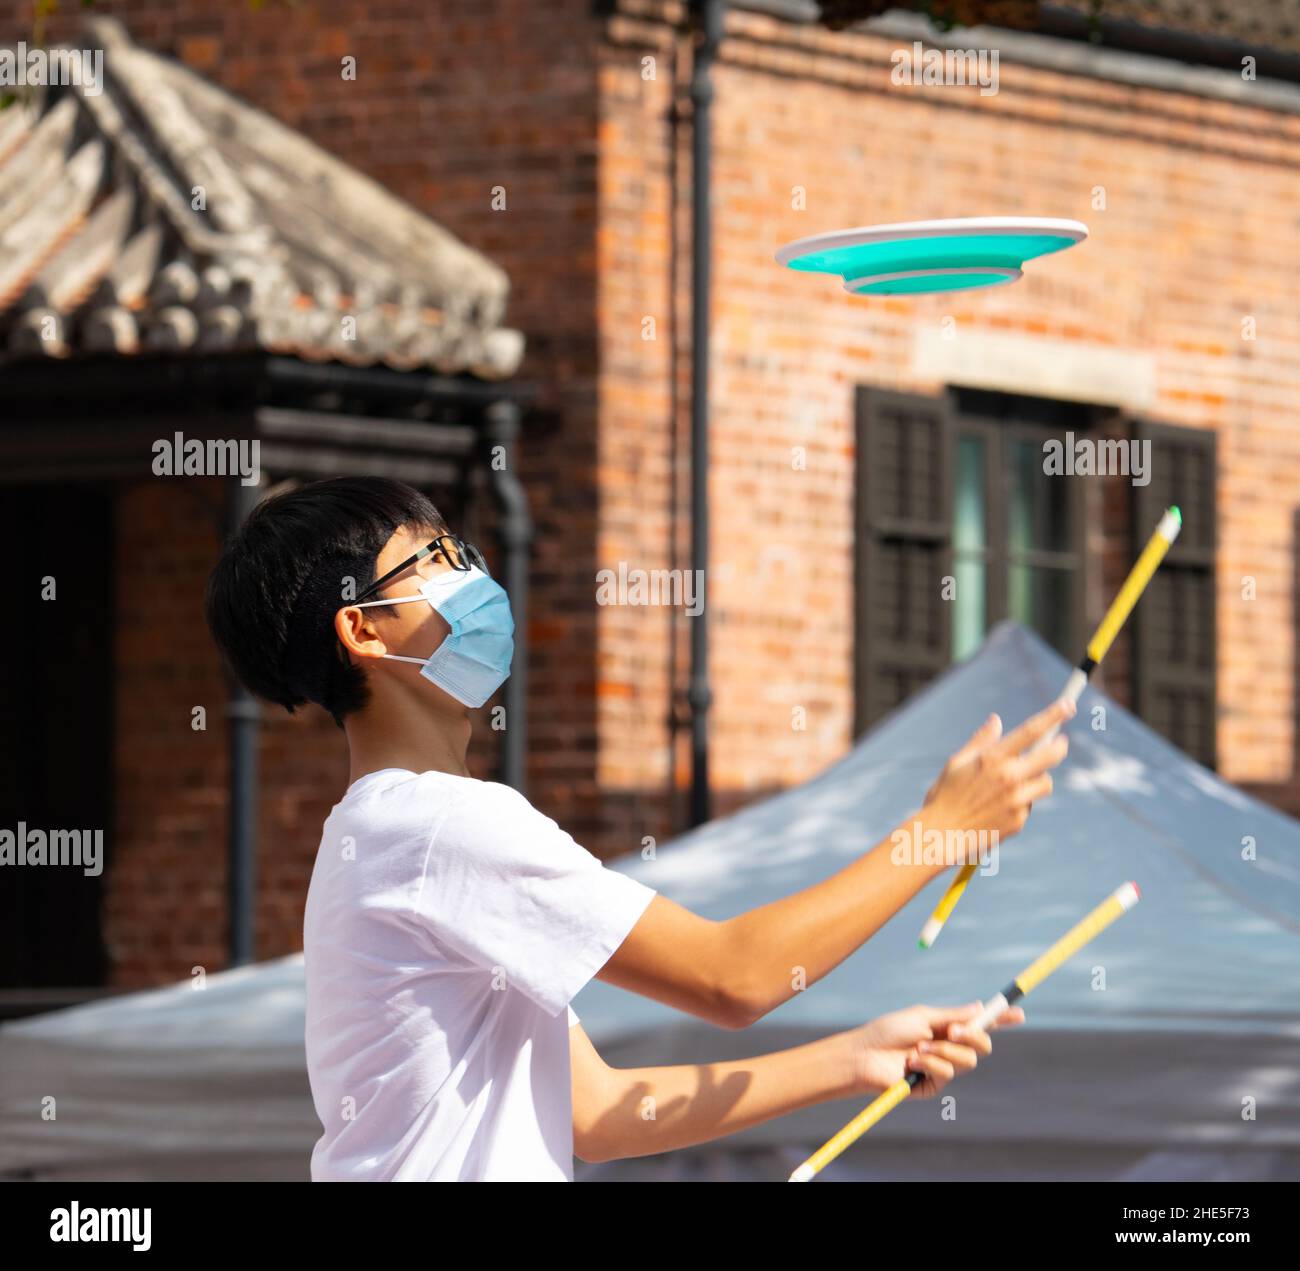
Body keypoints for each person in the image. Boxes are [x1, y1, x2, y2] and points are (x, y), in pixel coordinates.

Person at [205, 476, 1072, 1181]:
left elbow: (598, 1115)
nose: (470, 575)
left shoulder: (384, 832)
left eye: (459, 549)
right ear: (360, 630)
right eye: (432, 560)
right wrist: (942, 829)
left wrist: (854, 1057)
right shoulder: (442, 824)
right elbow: (736, 977)